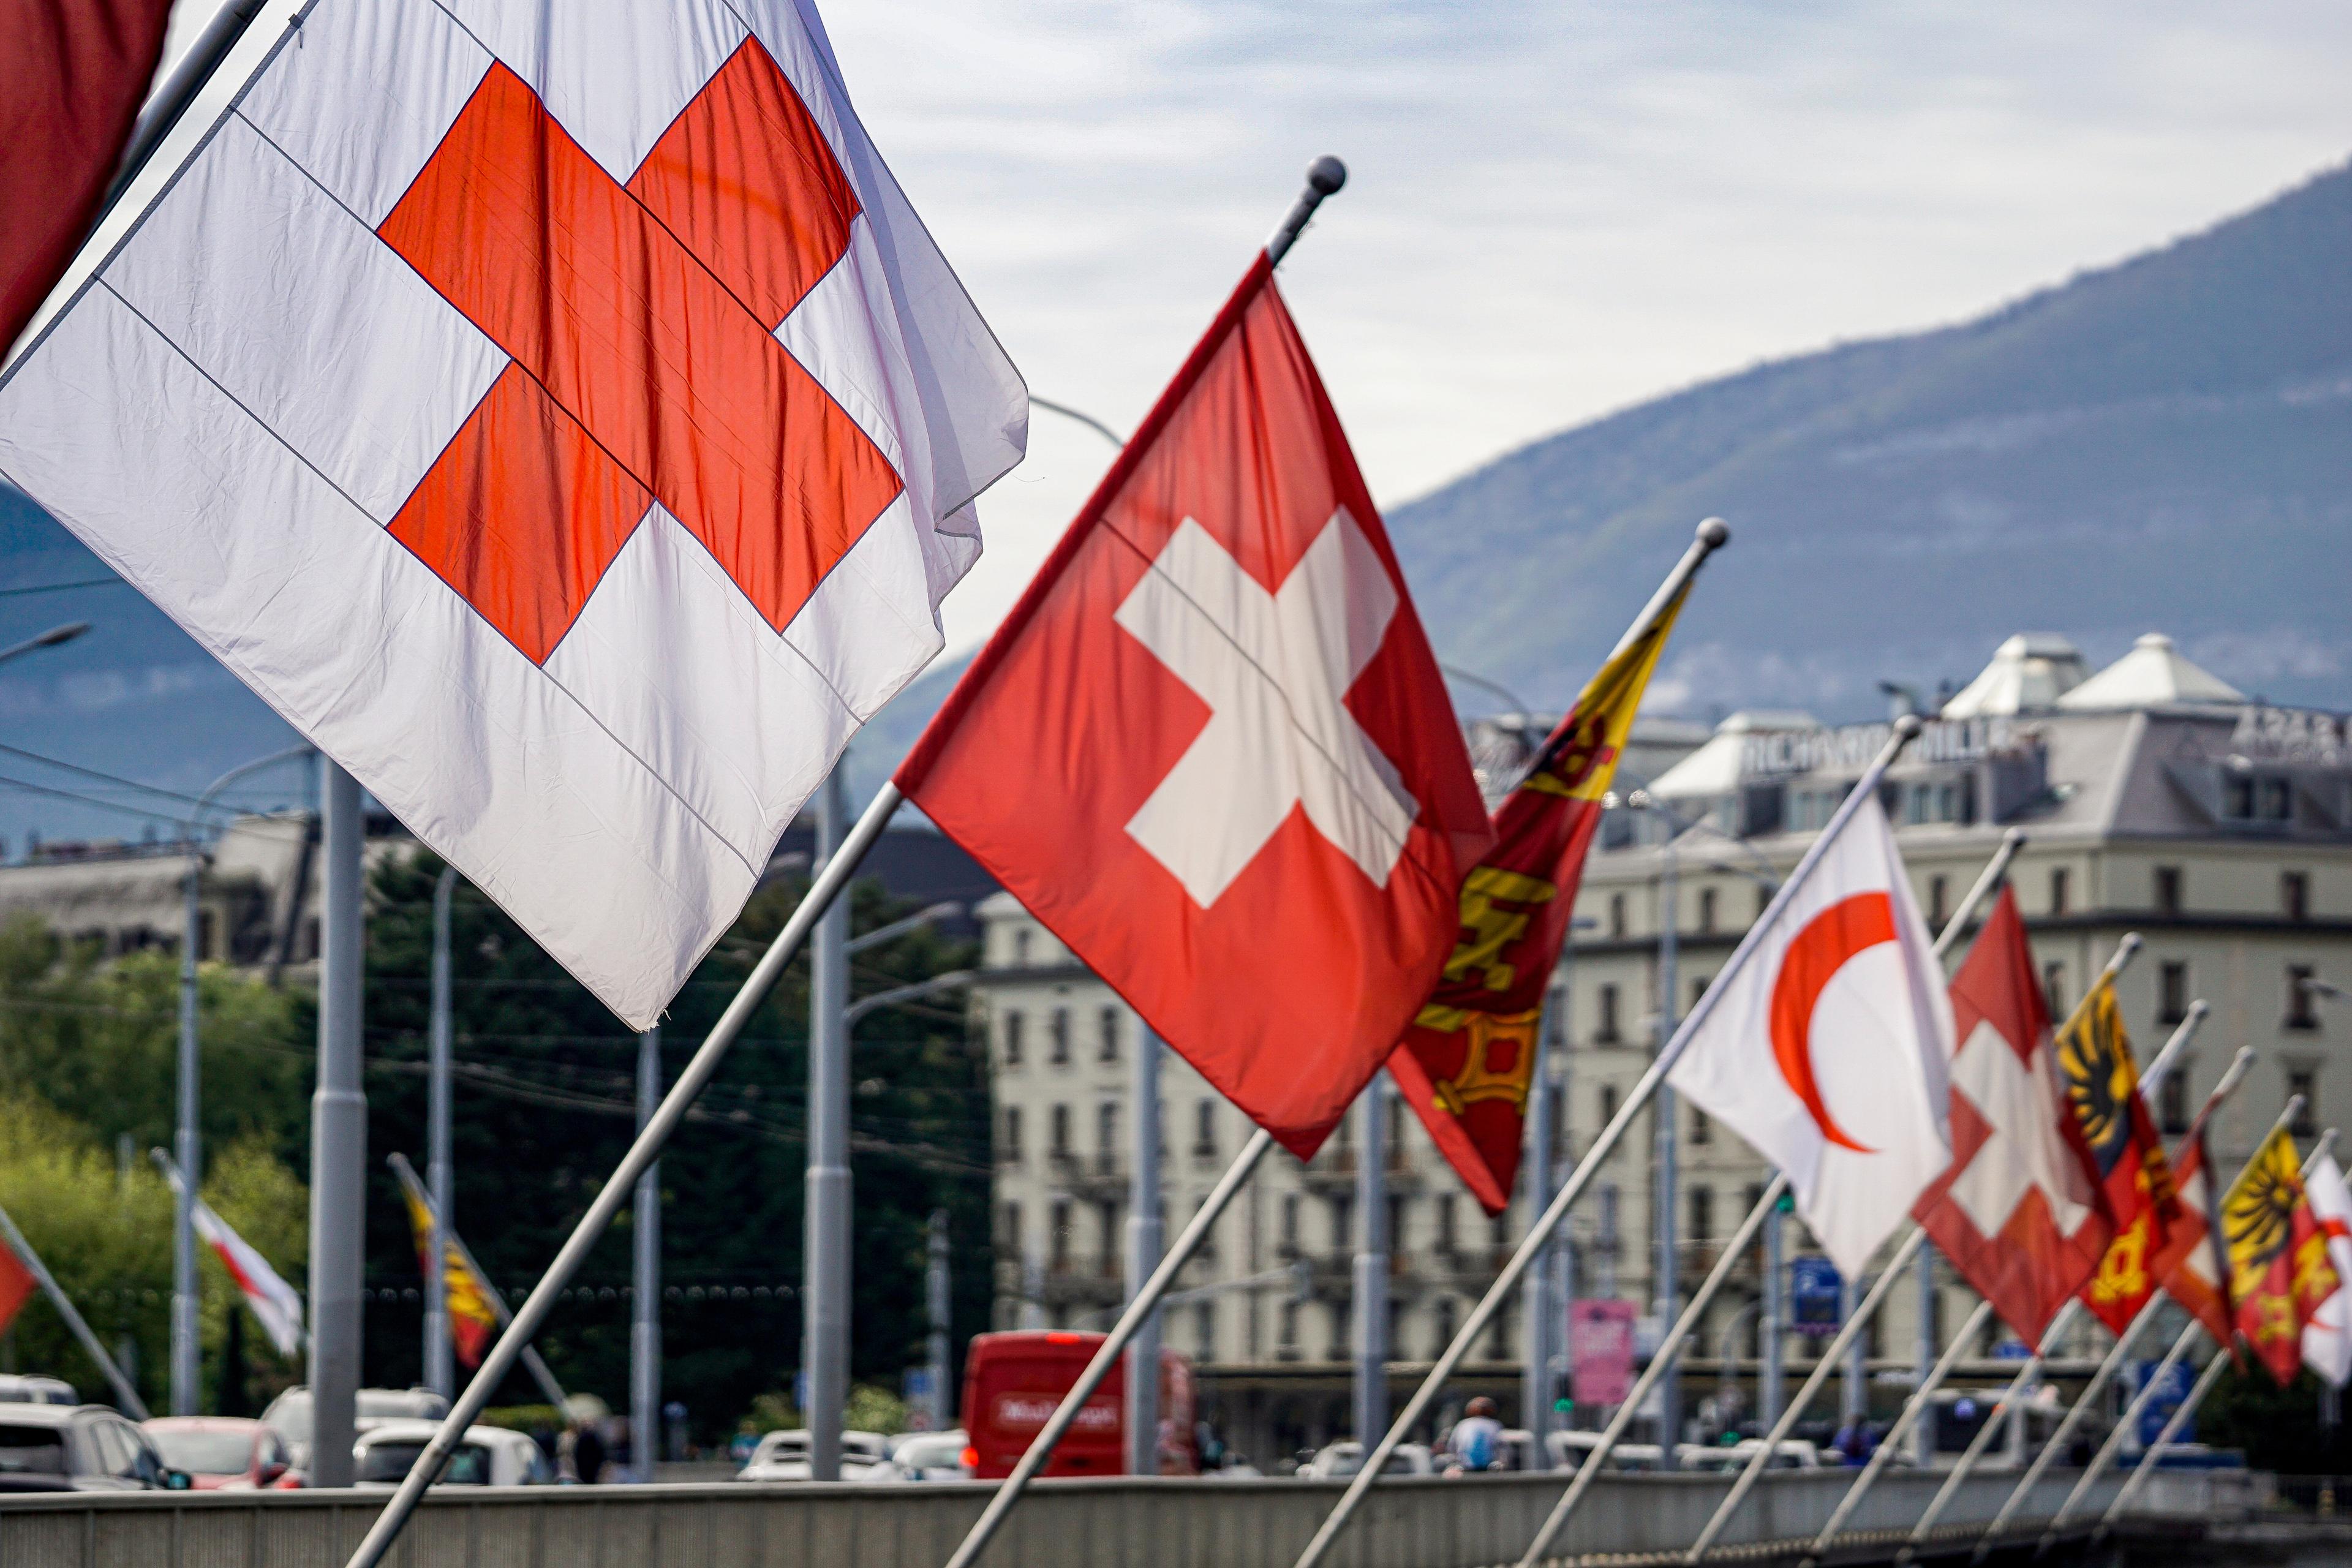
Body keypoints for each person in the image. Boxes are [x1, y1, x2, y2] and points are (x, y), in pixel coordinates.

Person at [1450, 1396, 1505, 1472]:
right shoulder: (1495, 1425)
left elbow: (1452, 1447)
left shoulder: (1463, 1425)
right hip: (1489, 1469)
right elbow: (1503, 1448)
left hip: (1464, 1468)